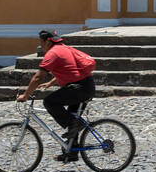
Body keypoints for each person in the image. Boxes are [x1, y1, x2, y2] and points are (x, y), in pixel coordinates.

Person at [17, 30, 97, 162]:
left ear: (48, 41)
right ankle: (71, 153)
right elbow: (69, 68)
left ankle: (74, 125)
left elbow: (38, 77)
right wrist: (50, 83)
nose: (41, 45)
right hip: (85, 85)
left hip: (78, 88)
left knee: (49, 102)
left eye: (41, 42)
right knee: (72, 118)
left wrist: (26, 95)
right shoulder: (64, 49)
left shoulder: (53, 53)